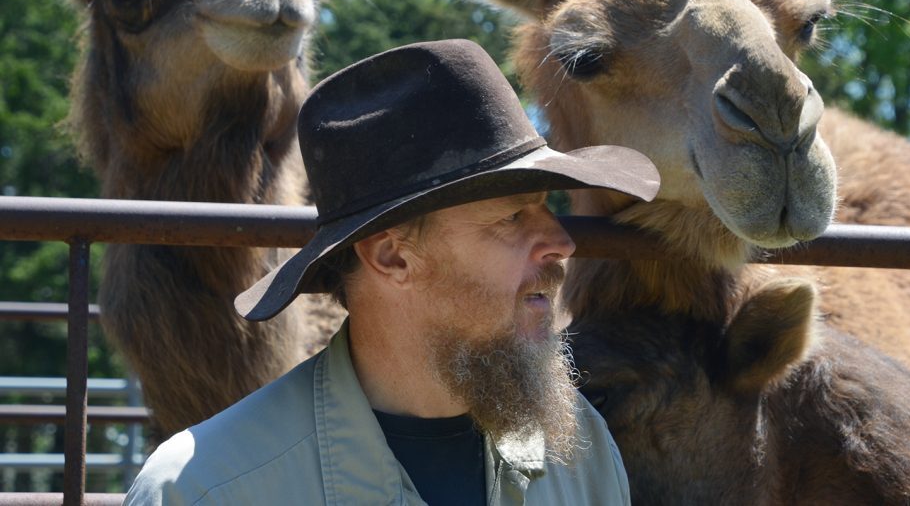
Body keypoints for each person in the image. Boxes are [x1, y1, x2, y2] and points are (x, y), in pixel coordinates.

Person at [124, 39, 660, 505]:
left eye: (547, 207)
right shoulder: (205, 491)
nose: (562, 244)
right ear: (391, 257)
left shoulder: (578, 449)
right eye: (514, 216)